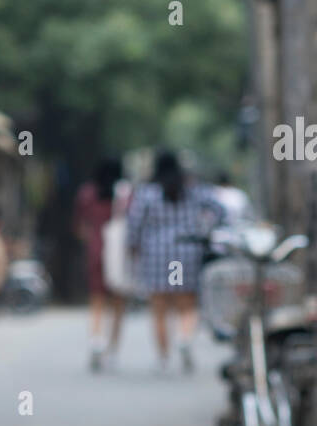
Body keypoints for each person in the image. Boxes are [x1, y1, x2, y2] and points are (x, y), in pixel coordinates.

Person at [127, 151, 223, 373]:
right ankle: (185, 338)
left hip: (157, 255)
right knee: (187, 304)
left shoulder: (147, 193)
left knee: (159, 308)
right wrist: (206, 231)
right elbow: (220, 209)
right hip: (186, 253)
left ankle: (163, 357)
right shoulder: (193, 190)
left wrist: (133, 247)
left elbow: (134, 224)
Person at [75, 158, 130, 369]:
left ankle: (96, 340)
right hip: (119, 253)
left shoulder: (86, 193)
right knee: (118, 303)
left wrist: (91, 244)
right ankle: (113, 349)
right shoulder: (125, 194)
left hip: (95, 250)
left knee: (96, 301)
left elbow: (81, 228)